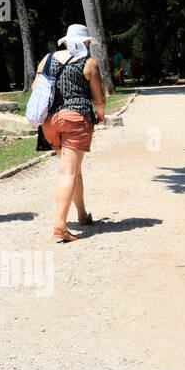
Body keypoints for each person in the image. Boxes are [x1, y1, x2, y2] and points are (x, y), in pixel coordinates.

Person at [37, 24, 107, 242]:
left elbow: (35, 89)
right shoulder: (89, 64)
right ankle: (60, 224)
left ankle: (82, 214)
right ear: (85, 42)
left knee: (72, 170)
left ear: (66, 41)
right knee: (68, 172)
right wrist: (101, 114)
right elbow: (99, 99)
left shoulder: (47, 60)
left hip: (50, 122)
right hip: (76, 118)